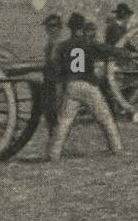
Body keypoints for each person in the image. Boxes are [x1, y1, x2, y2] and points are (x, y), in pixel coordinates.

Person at [47, 13, 125, 161]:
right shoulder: (90, 43)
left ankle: (53, 154)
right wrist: (124, 53)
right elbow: (109, 50)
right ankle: (117, 148)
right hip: (89, 85)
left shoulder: (63, 46)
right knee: (105, 118)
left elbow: (56, 65)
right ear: (82, 27)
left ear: (70, 28)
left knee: (64, 122)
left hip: (71, 86)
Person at [37, 14, 65, 158]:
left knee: (56, 113)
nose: (49, 30)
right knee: (50, 115)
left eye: (52, 27)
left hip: (57, 82)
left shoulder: (59, 42)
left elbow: (56, 63)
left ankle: (55, 150)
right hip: (49, 80)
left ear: (58, 28)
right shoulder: (51, 41)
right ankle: (52, 148)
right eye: (48, 27)